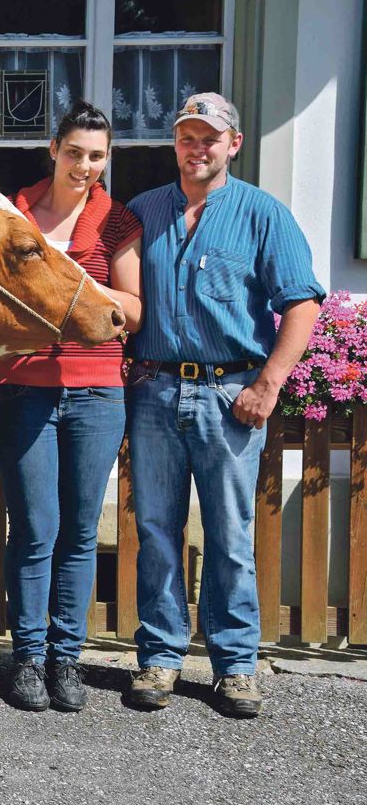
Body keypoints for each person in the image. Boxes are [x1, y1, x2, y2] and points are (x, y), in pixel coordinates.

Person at [124, 93, 324, 718]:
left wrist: (268, 384)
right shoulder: (141, 212)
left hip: (229, 395)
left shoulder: (263, 214)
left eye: (210, 137)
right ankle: (159, 658)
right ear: (175, 144)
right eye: (187, 135)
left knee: (230, 536)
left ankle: (235, 665)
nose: (197, 147)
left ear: (233, 144)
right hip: (154, 392)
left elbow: (302, 303)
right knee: (156, 532)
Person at [0, 100, 143, 712]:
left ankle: (66, 659)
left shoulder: (116, 222)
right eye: (74, 152)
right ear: (53, 149)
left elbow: (132, 311)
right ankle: (27, 657)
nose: (84, 165)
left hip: (98, 390)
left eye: (96, 156)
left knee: (79, 532)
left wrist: (71, 282)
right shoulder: (13, 214)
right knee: (33, 527)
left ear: (107, 160)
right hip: (22, 386)